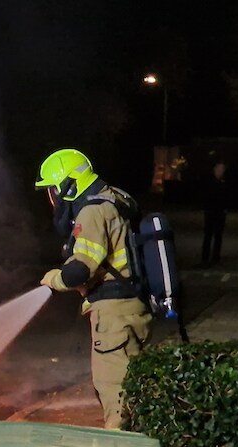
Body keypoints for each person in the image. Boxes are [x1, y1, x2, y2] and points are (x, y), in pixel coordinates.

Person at [35, 149, 152, 430]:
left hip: (115, 316)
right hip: (131, 308)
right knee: (132, 388)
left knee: (115, 395)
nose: (53, 198)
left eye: (53, 189)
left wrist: (54, 279)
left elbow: (80, 270)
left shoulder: (93, 211)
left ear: (68, 185)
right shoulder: (114, 197)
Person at [201, 161, 230, 268]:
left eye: (222, 170)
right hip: (210, 212)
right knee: (208, 235)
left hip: (220, 213)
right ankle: (205, 258)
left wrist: (225, 208)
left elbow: (226, 197)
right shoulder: (210, 182)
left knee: (218, 236)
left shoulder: (224, 183)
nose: (220, 172)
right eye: (219, 169)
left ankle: (215, 257)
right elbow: (205, 196)